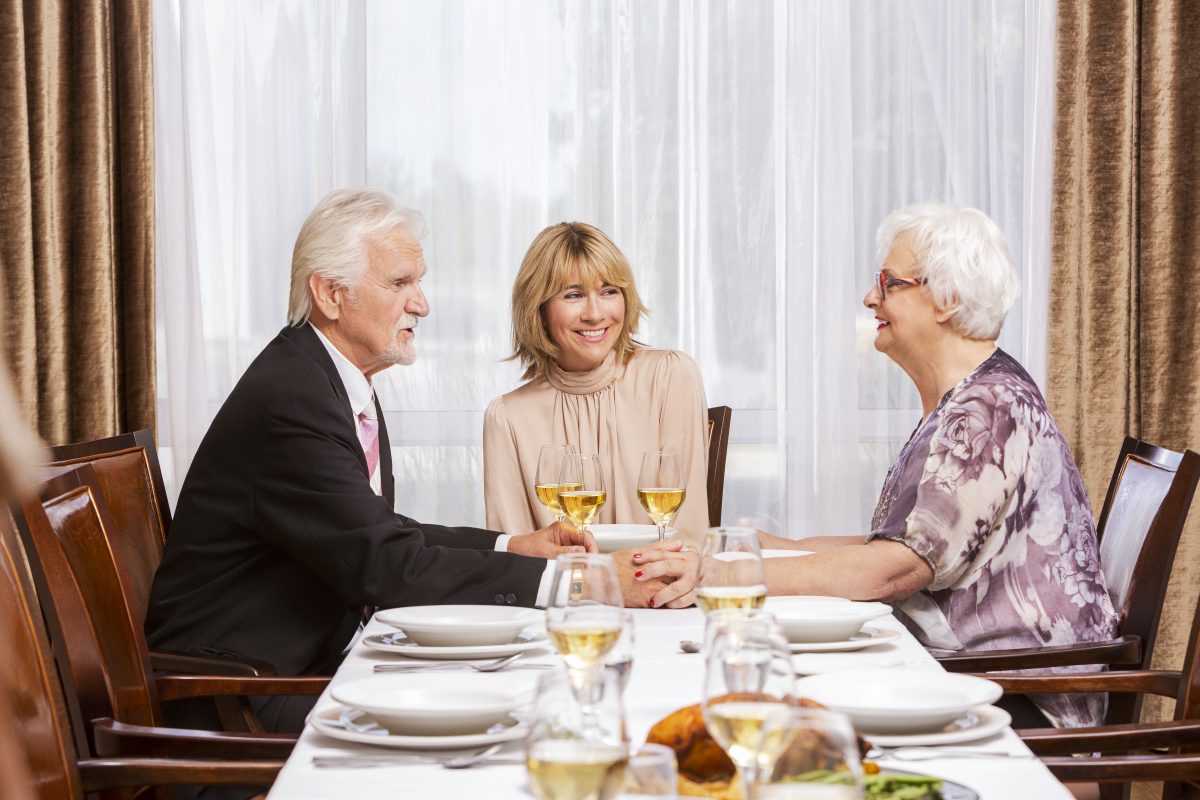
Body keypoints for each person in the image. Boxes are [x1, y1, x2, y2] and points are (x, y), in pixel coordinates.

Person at [145, 190, 686, 735]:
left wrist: (513, 545)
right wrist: (580, 583)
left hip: (295, 670)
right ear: (330, 294)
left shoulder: (327, 379)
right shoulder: (293, 399)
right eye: (400, 283)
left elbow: (376, 532)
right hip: (235, 698)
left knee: (514, 699)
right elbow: (388, 564)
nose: (421, 305)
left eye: (418, 283)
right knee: (510, 720)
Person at [639, 204, 1119, 728]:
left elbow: (893, 569)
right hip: (963, 678)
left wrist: (723, 574)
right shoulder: (968, 398)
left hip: (1017, 700)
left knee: (770, 708)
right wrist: (755, 547)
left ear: (948, 299)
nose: (871, 297)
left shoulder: (989, 409)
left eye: (888, 282)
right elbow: (893, 547)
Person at [483, 222, 710, 545]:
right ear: (539, 309)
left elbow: (687, 535)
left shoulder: (670, 377)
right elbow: (517, 554)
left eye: (609, 291)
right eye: (573, 295)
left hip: (660, 575)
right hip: (560, 580)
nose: (595, 313)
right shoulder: (507, 418)